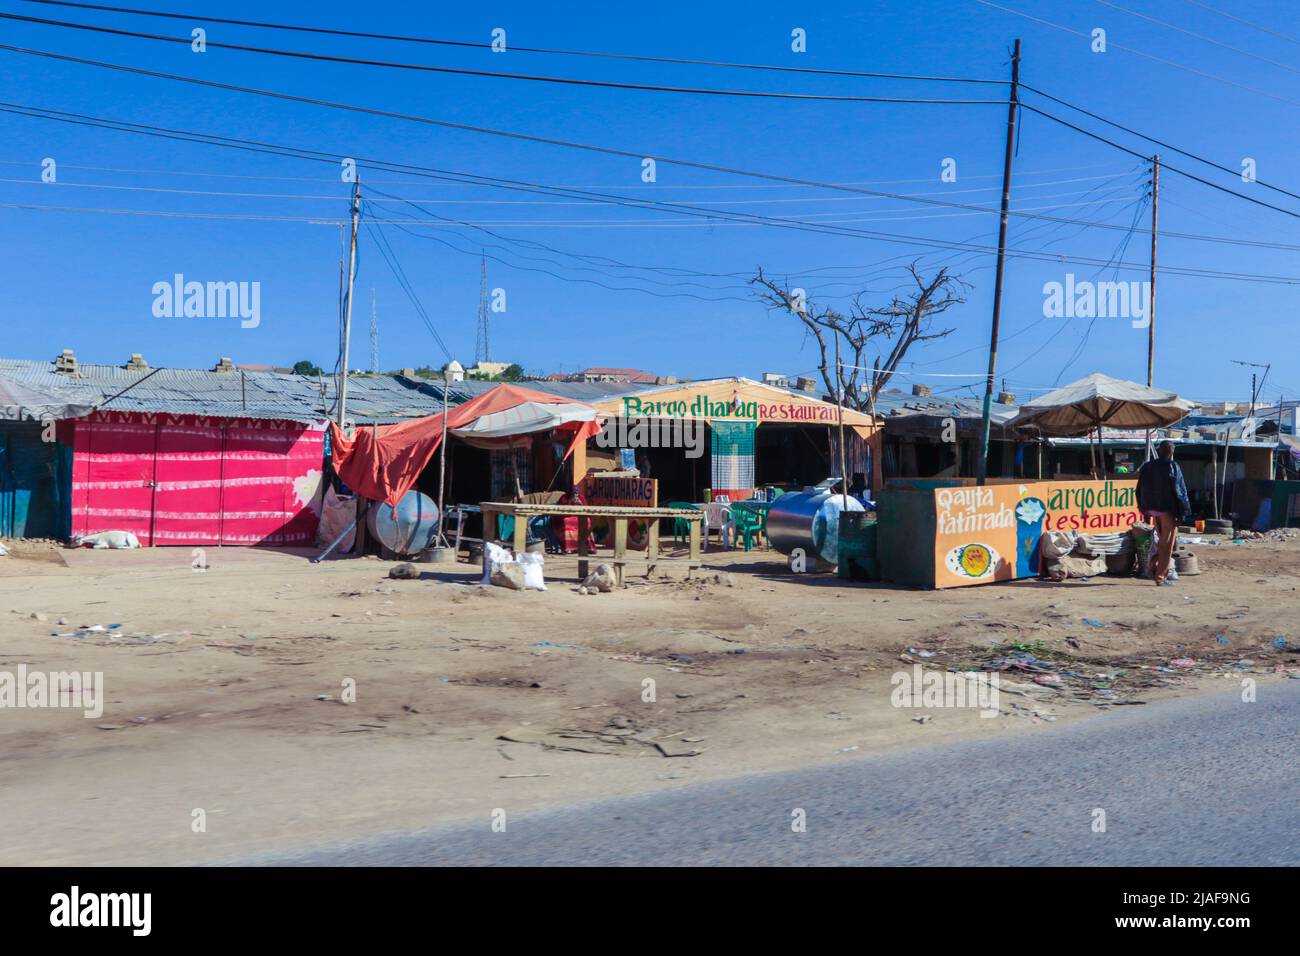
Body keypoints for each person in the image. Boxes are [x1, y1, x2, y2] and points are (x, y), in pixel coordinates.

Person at [1136, 440, 1191, 586]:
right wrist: (1183, 513)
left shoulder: (1147, 466)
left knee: (1161, 541)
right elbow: (1180, 491)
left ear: (1160, 450)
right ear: (1171, 452)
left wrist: (1143, 509)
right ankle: (1160, 577)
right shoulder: (1172, 466)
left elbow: (1139, 488)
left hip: (1152, 509)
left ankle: (1151, 566)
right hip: (1168, 510)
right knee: (1166, 545)